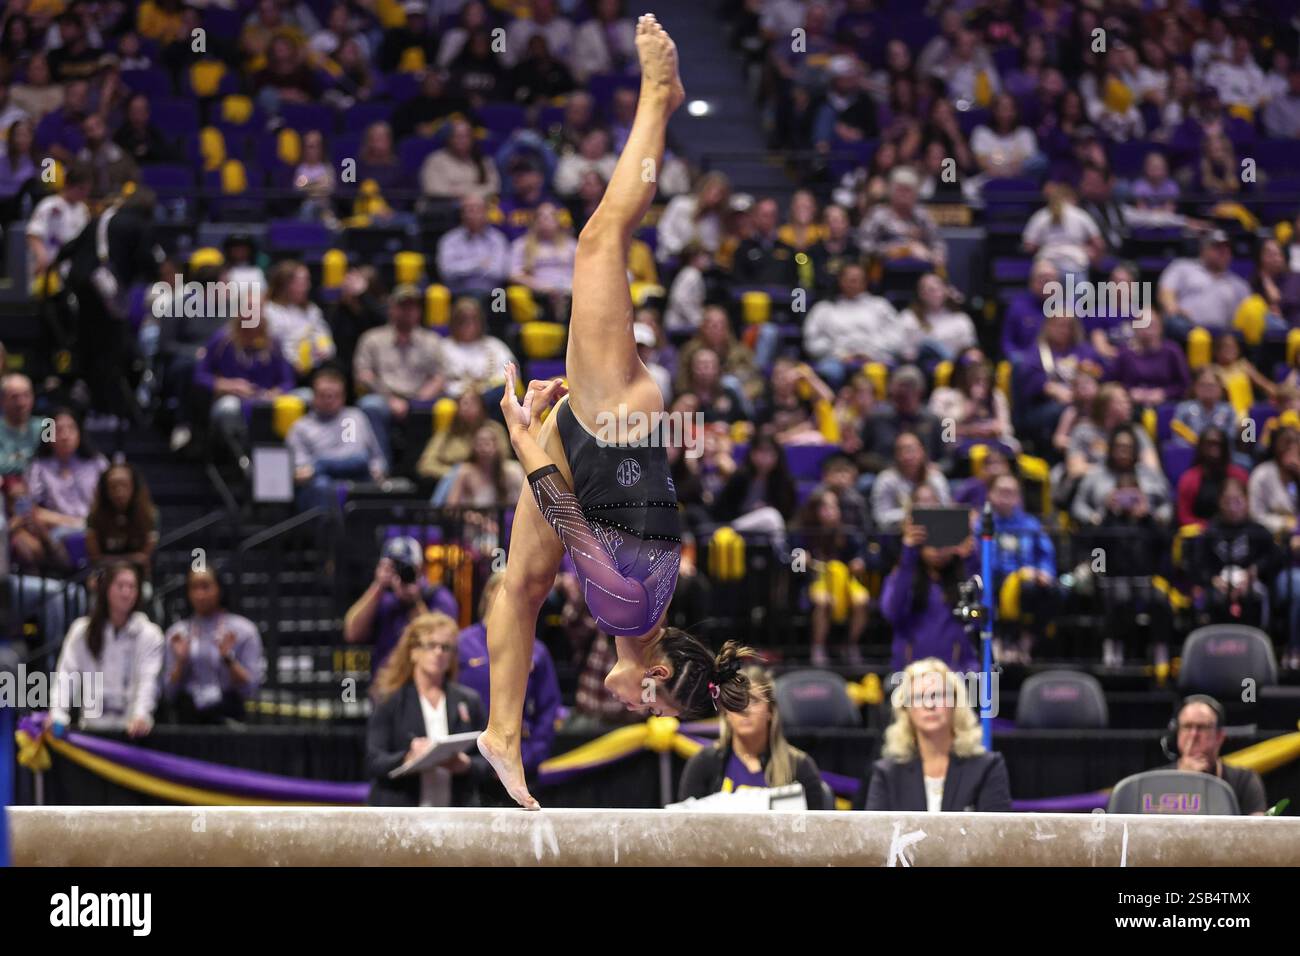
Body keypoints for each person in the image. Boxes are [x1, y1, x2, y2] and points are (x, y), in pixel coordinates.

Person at [476, 17, 759, 810]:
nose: (638, 709)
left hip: (593, 452)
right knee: (600, 241)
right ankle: (656, 96)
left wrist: (541, 443)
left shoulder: (640, 613)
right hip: (608, 425)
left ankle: (501, 734)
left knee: (519, 587)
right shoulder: (627, 609)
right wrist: (522, 436)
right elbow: (563, 514)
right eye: (653, 703)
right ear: (659, 673)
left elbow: (566, 526)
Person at [365, 612, 489, 807]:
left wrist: (466, 765)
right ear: (413, 652)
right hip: (403, 812)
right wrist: (408, 756)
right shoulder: (389, 700)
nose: (439, 652)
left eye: (446, 647)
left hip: (455, 813)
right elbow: (374, 761)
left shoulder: (469, 700)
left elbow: (488, 761)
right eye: (431, 645)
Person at [858, 658, 1011, 811]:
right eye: (918, 697)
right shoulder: (886, 773)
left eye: (937, 696)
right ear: (906, 710)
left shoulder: (987, 768)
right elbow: (874, 834)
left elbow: (995, 834)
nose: (929, 705)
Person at [677, 665, 829, 808]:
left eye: (754, 700)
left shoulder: (800, 766)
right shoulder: (703, 764)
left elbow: (815, 833)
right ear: (726, 714)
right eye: (736, 701)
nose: (744, 709)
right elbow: (686, 828)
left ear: (770, 711)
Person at [457, 573, 560, 776]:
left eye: (522, 592)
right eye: (507, 589)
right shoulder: (461, 644)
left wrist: (528, 758)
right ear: (488, 593)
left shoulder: (536, 651)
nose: (515, 596)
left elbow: (548, 710)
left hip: (520, 760)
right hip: (467, 763)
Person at [49, 560, 164, 736]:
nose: (126, 593)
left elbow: (148, 679)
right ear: (107, 589)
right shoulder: (82, 630)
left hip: (131, 732)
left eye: (132, 587)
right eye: (120, 586)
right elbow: (66, 675)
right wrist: (58, 713)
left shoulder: (150, 634)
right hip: (91, 731)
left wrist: (142, 715)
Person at [353, 284, 446, 468]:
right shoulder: (372, 338)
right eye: (403, 306)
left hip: (420, 400)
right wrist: (390, 399)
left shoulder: (431, 340)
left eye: (413, 307)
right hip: (384, 399)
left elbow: (439, 377)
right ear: (392, 308)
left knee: (445, 408)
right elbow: (363, 375)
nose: (408, 311)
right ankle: (381, 469)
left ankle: (427, 469)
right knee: (370, 405)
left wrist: (416, 402)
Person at [880, 507, 979, 674]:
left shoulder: (966, 577)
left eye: (943, 541)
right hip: (912, 676)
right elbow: (892, 612)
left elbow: (978, 618)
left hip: (957, 676)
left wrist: (971, 559)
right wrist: (908, 553)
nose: (937, 550)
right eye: (930, 542)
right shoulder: (902, 575)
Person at [343, 536, 459, 676]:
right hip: (385, 685)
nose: (401, 573)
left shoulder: (439, 597)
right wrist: (378, 586)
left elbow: (437, 641)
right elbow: (352, 634)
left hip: (423, 682)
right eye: (393, 568)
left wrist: (414, 600)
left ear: (421, 569)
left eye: (407, 567)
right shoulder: (383, 598)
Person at [162, 568, 264, 723]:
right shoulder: (177, 634)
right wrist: (181, 662)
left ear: (220, 589)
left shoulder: (244, 631)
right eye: (194, 588)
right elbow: (168, 692)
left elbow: (251, 689)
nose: (200, 594)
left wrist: (228, 660)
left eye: (206, 586)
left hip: (228, 714)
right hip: (188, 718)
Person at [10, 408, 106, 571]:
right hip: (57, 533)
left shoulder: (97, 462)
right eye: (58, 429)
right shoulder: (38, 467)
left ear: (79, 432)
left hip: (95, 529)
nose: (65, 435)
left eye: (71, 428)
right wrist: (73, 522)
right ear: (49, 435)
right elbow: (31, 510)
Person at [286, 366, 387, 510]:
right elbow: (302, 471)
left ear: (344, 396)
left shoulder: (353, 418)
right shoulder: (301, 427)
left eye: (334, 395)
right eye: (323, 395)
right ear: (313, 396)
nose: (329, 400)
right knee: (321, 485)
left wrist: (320, 465)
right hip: (319, 487)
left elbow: (367, 458)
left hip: (357, 478)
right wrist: (318, 468)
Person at [1157, 695, 1268, 815]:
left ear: (1219, 737)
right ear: (1177, 734)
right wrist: (1184, 782)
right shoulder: (1156, 780)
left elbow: (1257, 830)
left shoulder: (1244, 781)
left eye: (1202, 727)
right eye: (1187, 726)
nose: (1193, 735)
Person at [794, 489, 867, 666]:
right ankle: (818, 647)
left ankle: (850, 645)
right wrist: (802, 560)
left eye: (834, 507)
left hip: (845, 580)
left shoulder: (848, 533)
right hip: (818, 580)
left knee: (861, 600)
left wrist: (860, 562)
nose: (831, 511)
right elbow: (794, 564)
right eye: (825, 507)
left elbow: (864, 555)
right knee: (823, 601)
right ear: (814, 510)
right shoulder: (804, 533)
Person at [85, 463, 158, 581]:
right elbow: (96, 558)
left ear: (134, 487)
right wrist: (133, 558)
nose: (119, 491)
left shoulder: (149, 515)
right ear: (105, 490)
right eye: (113, 486)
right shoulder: (95, 516)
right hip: (105, 575)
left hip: (138, 577)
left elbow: (145, 557)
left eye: (124, 485)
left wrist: (112, 559)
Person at [871, 432, 952, 533]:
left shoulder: (935, 478)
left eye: (912, 450)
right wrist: (912, 513)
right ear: (896, 455)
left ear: (922, 452)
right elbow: (880, 518)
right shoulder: (886, 480)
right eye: (903, 451)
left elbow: (946, 510)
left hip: (934, 533)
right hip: (897, 535)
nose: (908, 456)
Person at [1177, 427, 1250, 529]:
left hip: (1237, 530)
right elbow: (1184, 516)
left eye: (1218, 444)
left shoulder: (1240, 476)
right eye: (1210, 444)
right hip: (1201, 534)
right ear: (1201, 447)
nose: (1214, 450)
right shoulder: (1188, 479)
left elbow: (1250, 510)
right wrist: (1209, 528)